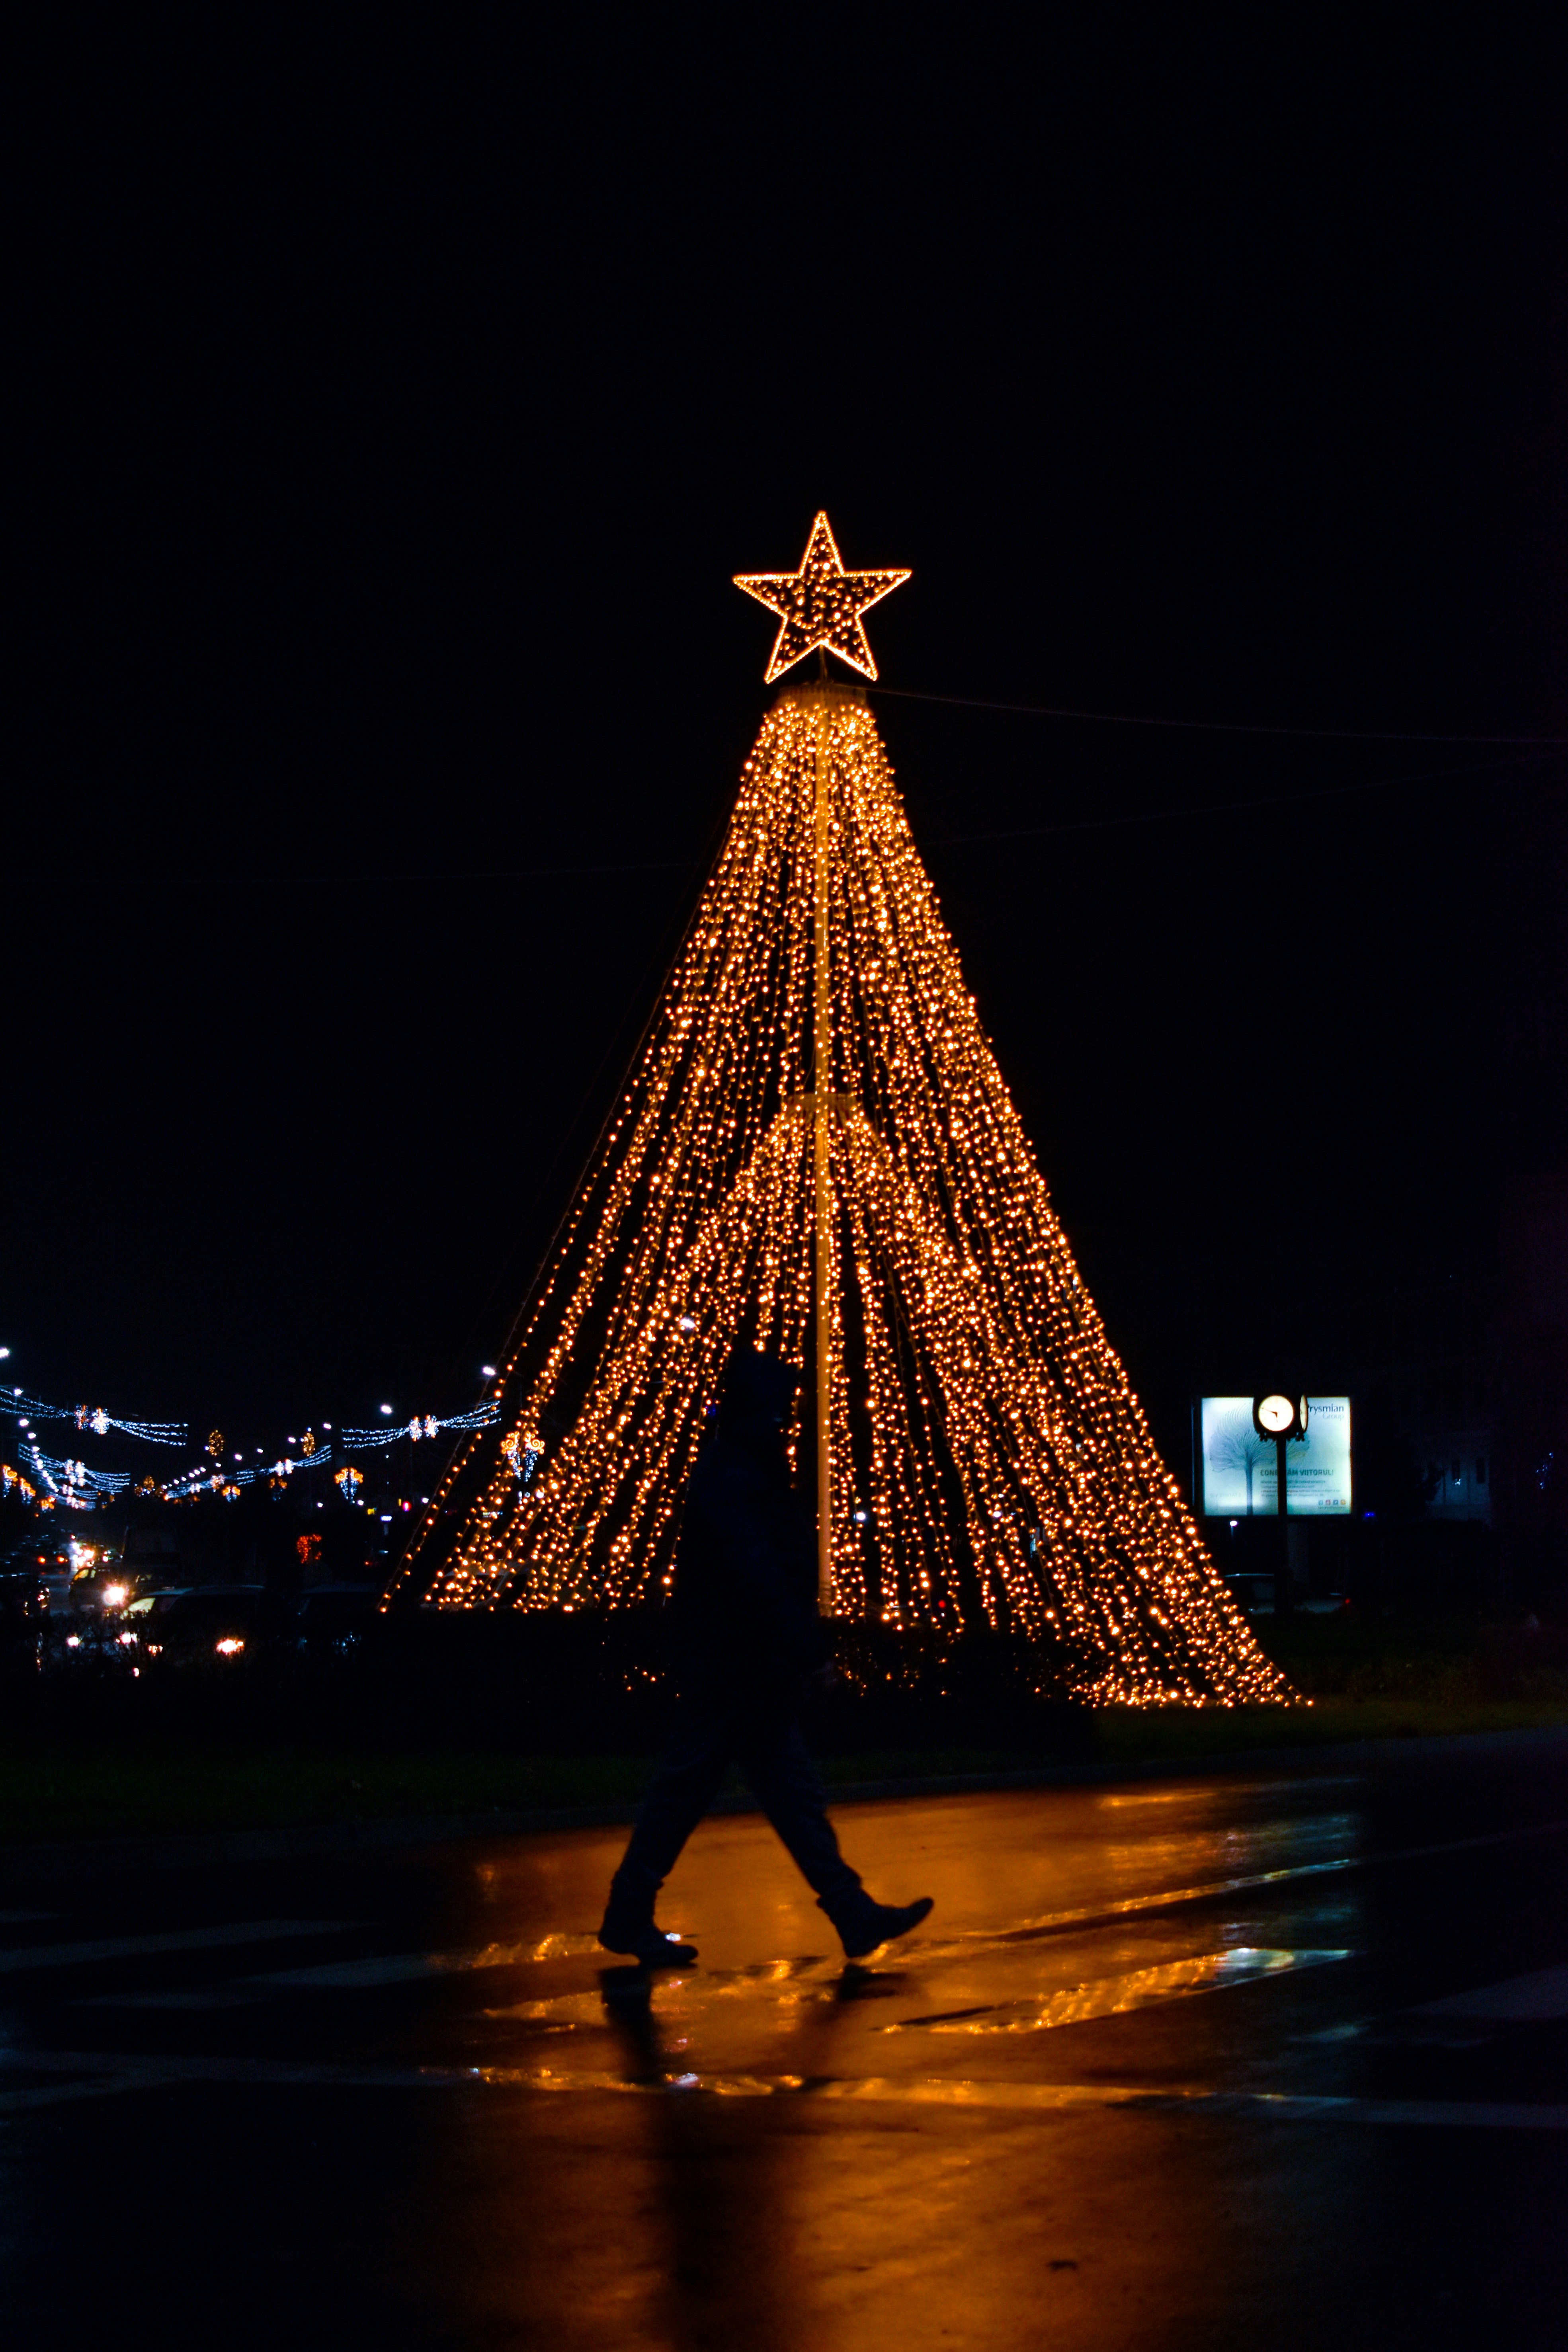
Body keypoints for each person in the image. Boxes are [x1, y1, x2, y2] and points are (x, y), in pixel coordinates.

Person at [599, 1346, 933, 1968]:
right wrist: (806, 1647)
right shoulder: (737, 1474)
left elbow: (761, 1567)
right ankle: (630, 1911)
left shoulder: (741, 1467)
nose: (786, 1419)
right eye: (779, 1408)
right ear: (759, 1409)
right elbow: (755, 1571)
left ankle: (849, 1910)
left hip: (741, 1662)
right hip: (733, 1663)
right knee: (699, 1789)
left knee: (781, 1789)